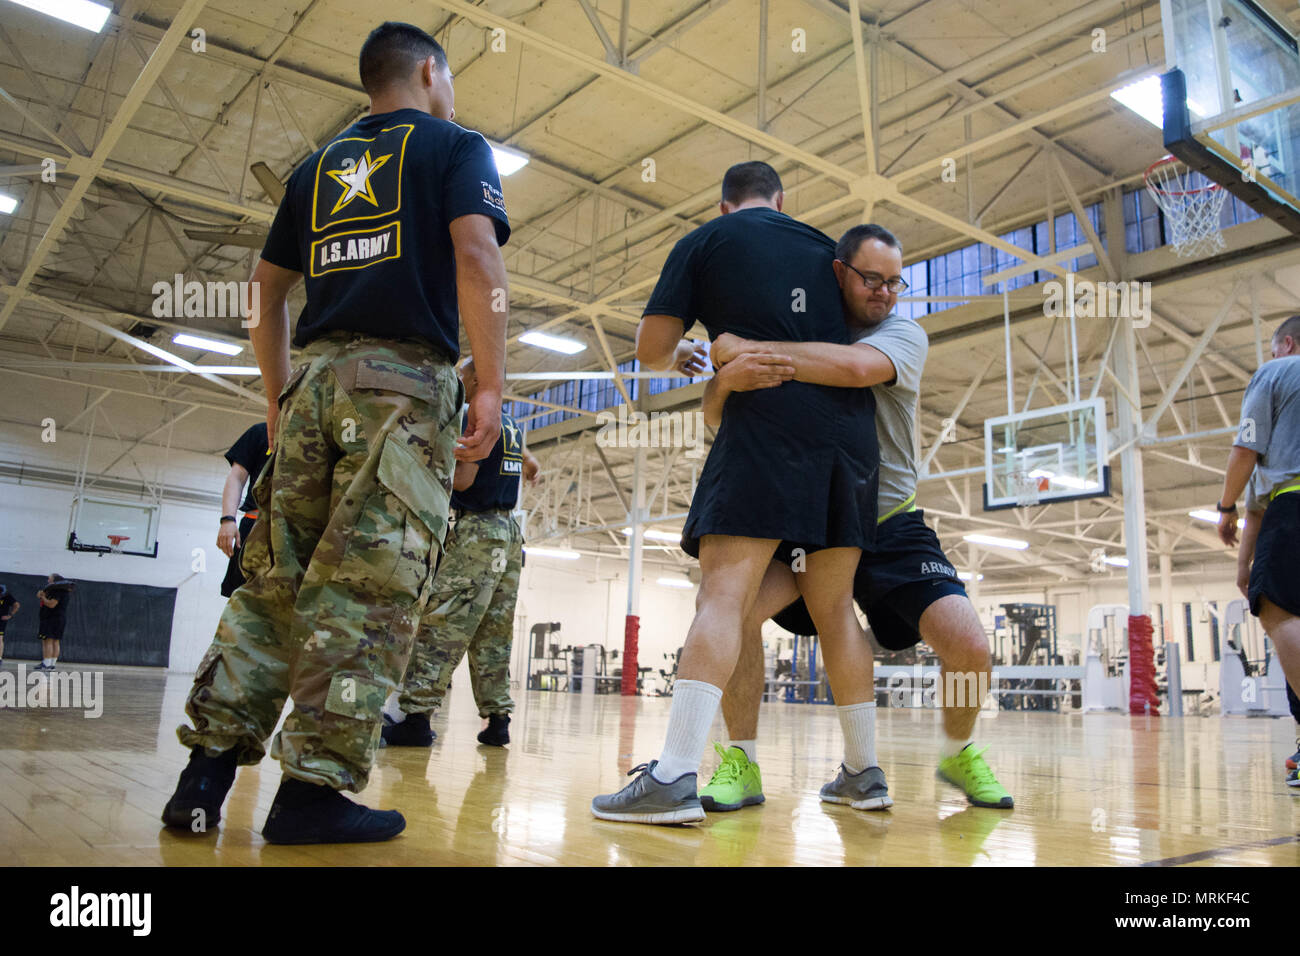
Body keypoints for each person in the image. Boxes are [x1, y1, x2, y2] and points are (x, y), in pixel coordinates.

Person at [162, 21, 510, 845]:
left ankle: (203, 775)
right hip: (401, 391)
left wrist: (280, 395)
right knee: (368, 592)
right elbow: (478, 258)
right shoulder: (457, 147)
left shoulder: (318, 168)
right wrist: (490, 384)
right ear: (430, 71)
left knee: (272, 588)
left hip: (315, 384)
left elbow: (265, 293)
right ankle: (311, 792)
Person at [592, 161, 881, 825]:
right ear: (782, 202)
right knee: (835, 609)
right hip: (850, 438)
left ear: (725, 207)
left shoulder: (704, 242)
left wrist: (697, 354)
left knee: (724, 595)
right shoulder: (829, 251)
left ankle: (673, 776)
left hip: (765, 428)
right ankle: (864, 775)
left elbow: (652, 348)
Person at [698, 224, 1013, 812]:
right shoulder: (803, 332)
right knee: (732, 609)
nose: (885, 293)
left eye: (895, 281)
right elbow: (719, 416)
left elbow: (855, 369)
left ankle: (958, 750)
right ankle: (740, 760)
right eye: (872, 279)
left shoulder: (901, 334)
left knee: (969, 645)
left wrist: (746, 347)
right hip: (811, 522)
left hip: (889, 522)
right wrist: (725, 371)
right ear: (839, 273)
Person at [383, 357, 540, 748]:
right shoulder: (510, 424)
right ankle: (497, 719)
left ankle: (416, 717)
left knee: (445, 622)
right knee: (494, 631)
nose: (455, 378)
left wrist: (428, 481)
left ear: (474, 379)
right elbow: (530, 465)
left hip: (476, 535)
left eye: (460, 373)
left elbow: (466, 481)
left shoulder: (471, 415)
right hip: (509, 536)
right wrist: (528, 470)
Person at [1217, 314, 1300, 787]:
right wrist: (1245, 565)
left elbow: (1245, 452)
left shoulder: (1276, 373)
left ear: (1285, 344)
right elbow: (1259, 509)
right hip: (1280, 506)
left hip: (1294, 506)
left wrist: (1222, 506)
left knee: (1283, 616)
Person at [218, 422, 270, 598]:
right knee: (242, 602)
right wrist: (227, 519)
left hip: (298, 534)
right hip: (255, 528)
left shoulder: (320, 434)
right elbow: (236, 477)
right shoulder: (261, 431)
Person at [36, 574, 74, 672]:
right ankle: (51, 664)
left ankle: (47, 664)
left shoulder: (57, 591)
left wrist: (43, 597)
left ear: (55, 580)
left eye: (50, 578)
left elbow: (52, 604)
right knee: (55, 641)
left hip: (52, 619)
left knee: (48, 640)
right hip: (58, 619)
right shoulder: (63, 591)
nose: (48, 580)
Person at [0, 584, 20, 667]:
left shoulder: (7, 596)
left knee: (0, 638)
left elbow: (17, 605)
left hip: (1, 619)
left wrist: (10, 615)